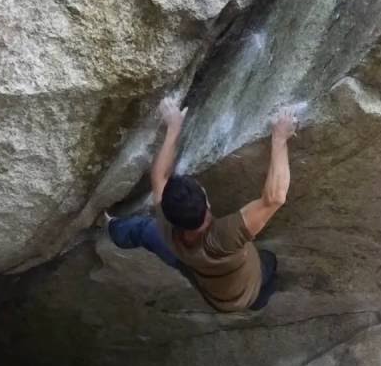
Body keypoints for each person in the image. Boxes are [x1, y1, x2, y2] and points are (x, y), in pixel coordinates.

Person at [106, 98, 296, 312]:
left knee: (144, 231)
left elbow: (159, 178)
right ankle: (259, 300)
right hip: (243, 294)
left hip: (204, 282)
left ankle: (112, 228)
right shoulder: (225, 237)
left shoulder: (167, 227)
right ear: (206, 201)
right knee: (269, 263)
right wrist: (279, 139)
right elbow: (274, 198)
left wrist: (173, 129)